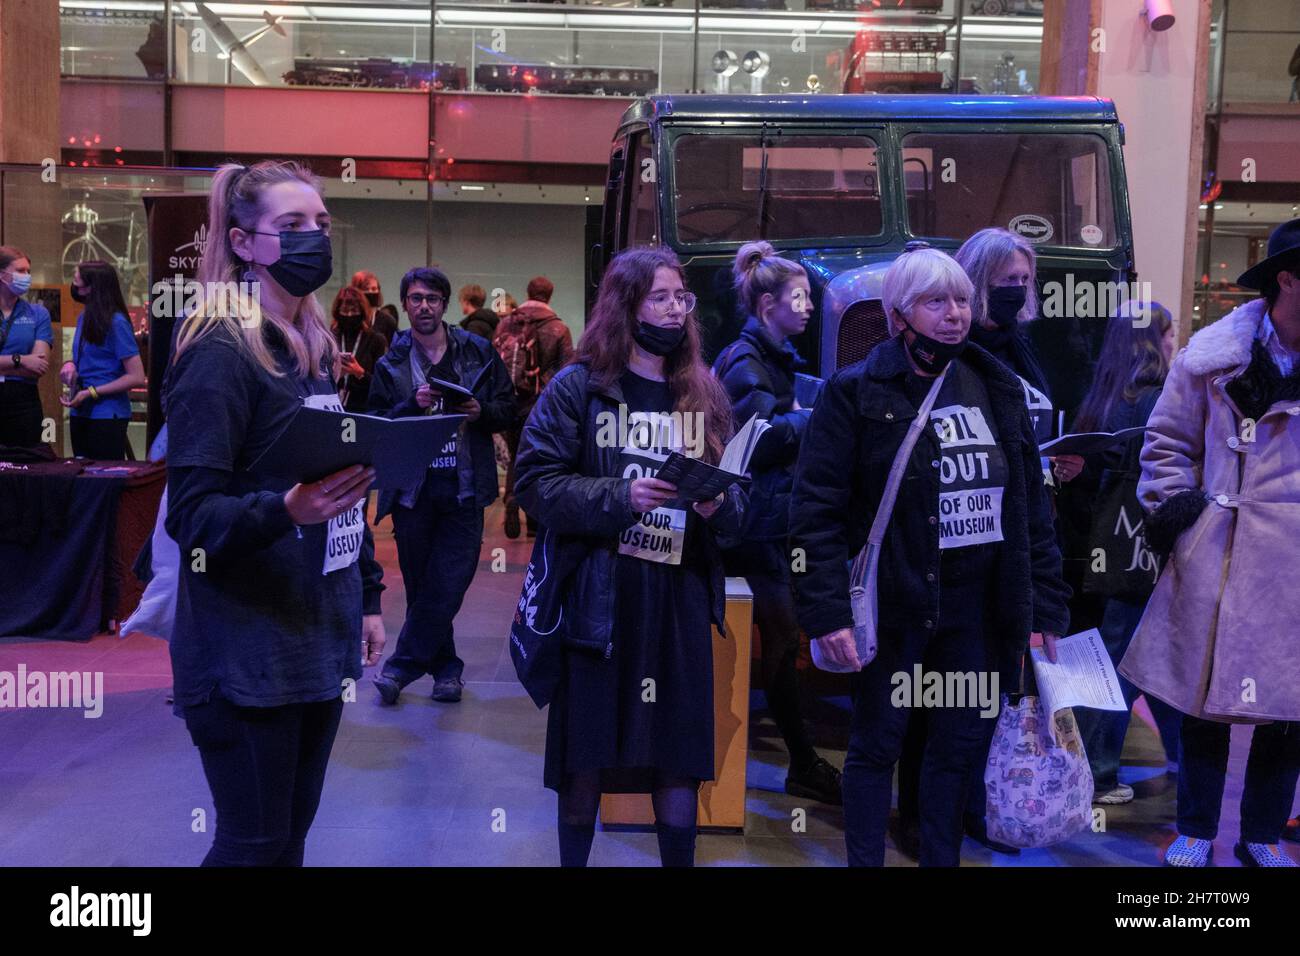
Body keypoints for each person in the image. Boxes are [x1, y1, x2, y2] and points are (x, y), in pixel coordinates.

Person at [790, 244, 1070, 867]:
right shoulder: (856, 390)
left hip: (973, 616)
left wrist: (1043, 608)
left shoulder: (994, 387)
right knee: (876, 747)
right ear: (898, 316)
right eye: (934, 302)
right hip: (894, 608)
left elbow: (1029, 512)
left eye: (962, 301)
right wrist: (827, 613)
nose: (954, 315)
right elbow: (815, 513)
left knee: (954, 752)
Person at [164, 159, 387, 866]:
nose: (313, 238)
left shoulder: (313, 349)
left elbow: (338, 483)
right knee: (252, 847)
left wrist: (370, 596)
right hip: (243, 651)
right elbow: (192, 517)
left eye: (320, 224)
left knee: (286, 844)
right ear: (242, 241)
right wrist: (286, 509)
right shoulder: (221, 348)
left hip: (315, 635)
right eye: (290, 226)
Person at [513, 246, 745, 867]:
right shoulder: (580, 387)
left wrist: (716, 507)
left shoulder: (701, 390)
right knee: (586, 755)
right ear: (625, 306)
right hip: (599, 599)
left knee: (677, 755)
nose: (674, 310)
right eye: (660, 298)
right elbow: (534, 483)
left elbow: (742, 511)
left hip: (677, 599)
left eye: (682, 299)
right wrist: (623, 494)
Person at [1120, 217, 1300, 868]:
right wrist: (1183, 515)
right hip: (1221, 550)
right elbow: (1166, 443)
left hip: (1295, 566)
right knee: (1207, 698)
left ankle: (1261, 833)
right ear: (1287, 279)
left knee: (1288, 706)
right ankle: (1196, 827)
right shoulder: (1210, 358)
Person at [712, 240, 841, 805]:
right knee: (784, 639)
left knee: (786, 640)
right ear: (769, 305)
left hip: (768, 519)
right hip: (758, 524)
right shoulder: (746, 362)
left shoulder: (770, 356)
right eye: (801, 297)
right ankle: (803, 762)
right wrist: (812, 418)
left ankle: (801, 758)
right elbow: (756, 441)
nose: (810, 306)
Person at [368, 266, 515, 705]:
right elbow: (376, 425)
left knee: (448, 580)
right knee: (423, 585)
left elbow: (507, 409)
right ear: (407, 304)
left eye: (432, 298)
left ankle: (400, 667)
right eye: (416, 298)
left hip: (464, 488)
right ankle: (446, 671)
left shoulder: (478, 352)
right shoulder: (391, 363)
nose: (424, 306)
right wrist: (409, 406)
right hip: (413, 491)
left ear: (445, 304)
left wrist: (480, 412)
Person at [1070, 302, 1183, 804]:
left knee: (1130, 656)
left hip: (1100, 552)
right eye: (1170, 333)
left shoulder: (1098, 398)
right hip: (1143, 554)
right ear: (1153, 341)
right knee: (1128, 661)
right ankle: (1097, 771)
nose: (1175, 343)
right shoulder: (1155, 401)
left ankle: (1180, 752)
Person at [494, 275, 573, 539]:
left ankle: (512, 498)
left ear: (527, 291)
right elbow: (566, 370)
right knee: (537, 457)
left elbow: (495, 362)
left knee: (516, 453)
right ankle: (533, 516)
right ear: (549, 295)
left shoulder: (507, 322)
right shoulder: (558, 328)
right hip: (541, 402)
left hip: (509, 400)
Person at [59, 261, 146, 460]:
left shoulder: (116, 323)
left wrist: (92, 392)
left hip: (106, 415)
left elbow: (136, 376)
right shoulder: (84, 317)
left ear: (92, 288)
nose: (74, 287)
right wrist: (70, 365)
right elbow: (85, 358)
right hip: (80, 412)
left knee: (103, 477)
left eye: (78, 284)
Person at [0, 246, 52, 449]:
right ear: (2, 275)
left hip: (23, 401)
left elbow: (38, 366)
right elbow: (28, 363)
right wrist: (20, 360)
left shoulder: (38, 313)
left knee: (26, 465)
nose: (27, 276)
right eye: (20, 271)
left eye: (28, 271)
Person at [329, 285, 386, 414]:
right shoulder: (329, 338)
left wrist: (360, 373)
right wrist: (336, 374)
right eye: (345, 311)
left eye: (354, 311)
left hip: (365, 410)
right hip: (334, 409)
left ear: (362, 311)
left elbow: (383, 386)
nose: (349, 315)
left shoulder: (376, 340)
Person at [351, 269, 399, 345]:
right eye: (366, 289)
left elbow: (398, 351)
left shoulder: (387, 321)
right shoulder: (348, 318)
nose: (370, 292)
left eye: (374, 289)